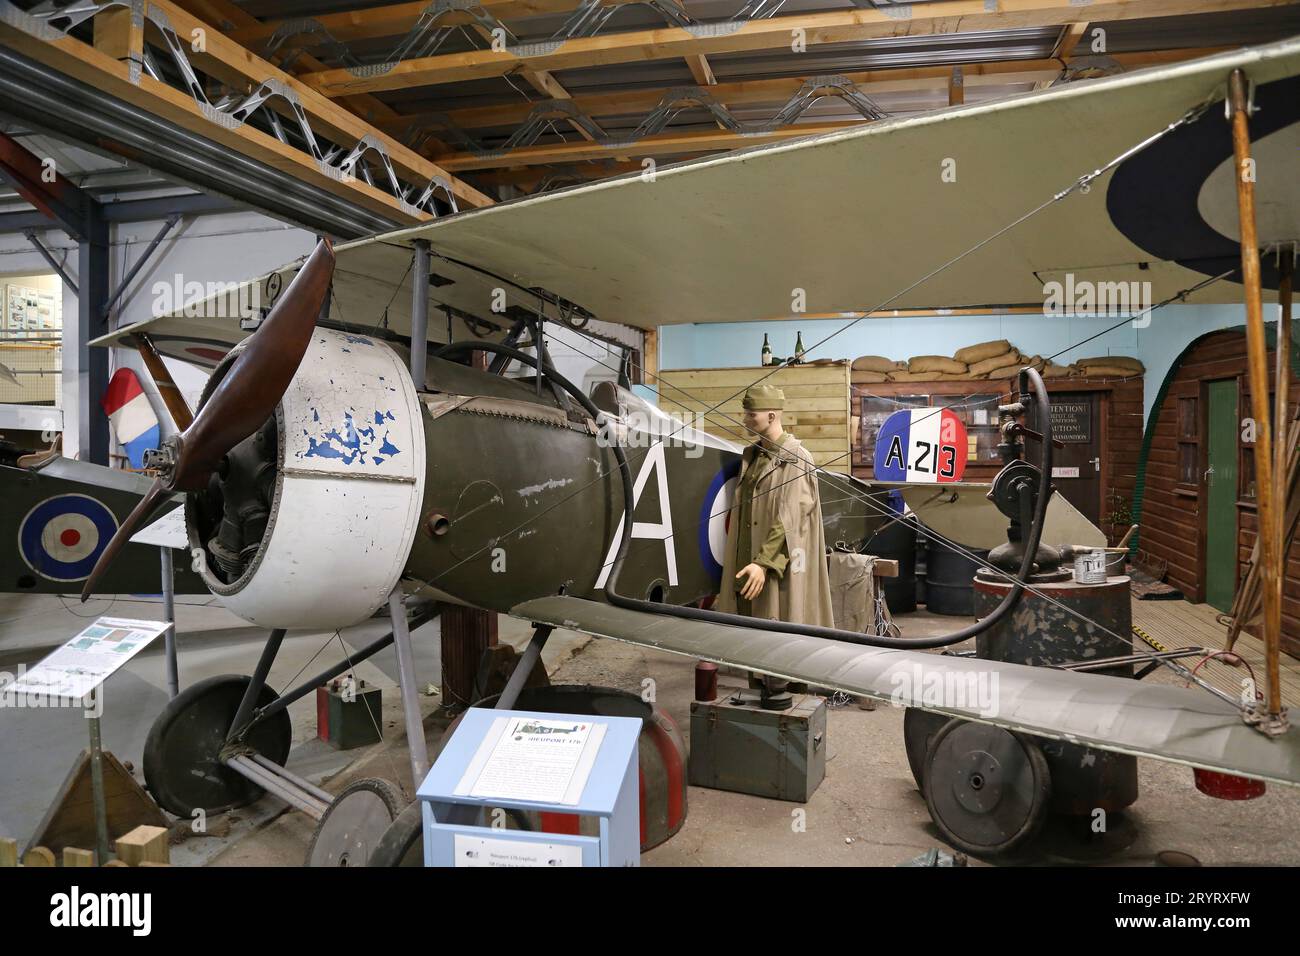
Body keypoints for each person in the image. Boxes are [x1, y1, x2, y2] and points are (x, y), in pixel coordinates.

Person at [717, 384, 834, 707]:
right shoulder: (753, 456)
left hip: (778, 562)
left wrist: (763, 561)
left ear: (771, 415)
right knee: (753, 633)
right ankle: (764, 698)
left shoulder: (796, 457)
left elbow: (790, 517)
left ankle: (781, 699)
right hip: (749, 558)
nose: (745, 419)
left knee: (779, 629)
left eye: (750, 414)